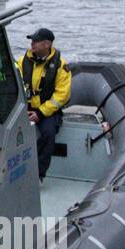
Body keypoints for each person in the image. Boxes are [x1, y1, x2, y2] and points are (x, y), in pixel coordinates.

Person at [17, 28, 72, 181]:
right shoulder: (23, 61)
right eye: (32, 40)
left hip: (47, 111)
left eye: (36, 41)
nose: (32, 43)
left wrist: (40, 113)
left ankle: (38, 174)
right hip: (24, 107)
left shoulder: (61, 66)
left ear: (47, 44)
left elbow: (62, 95)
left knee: (48, 134)